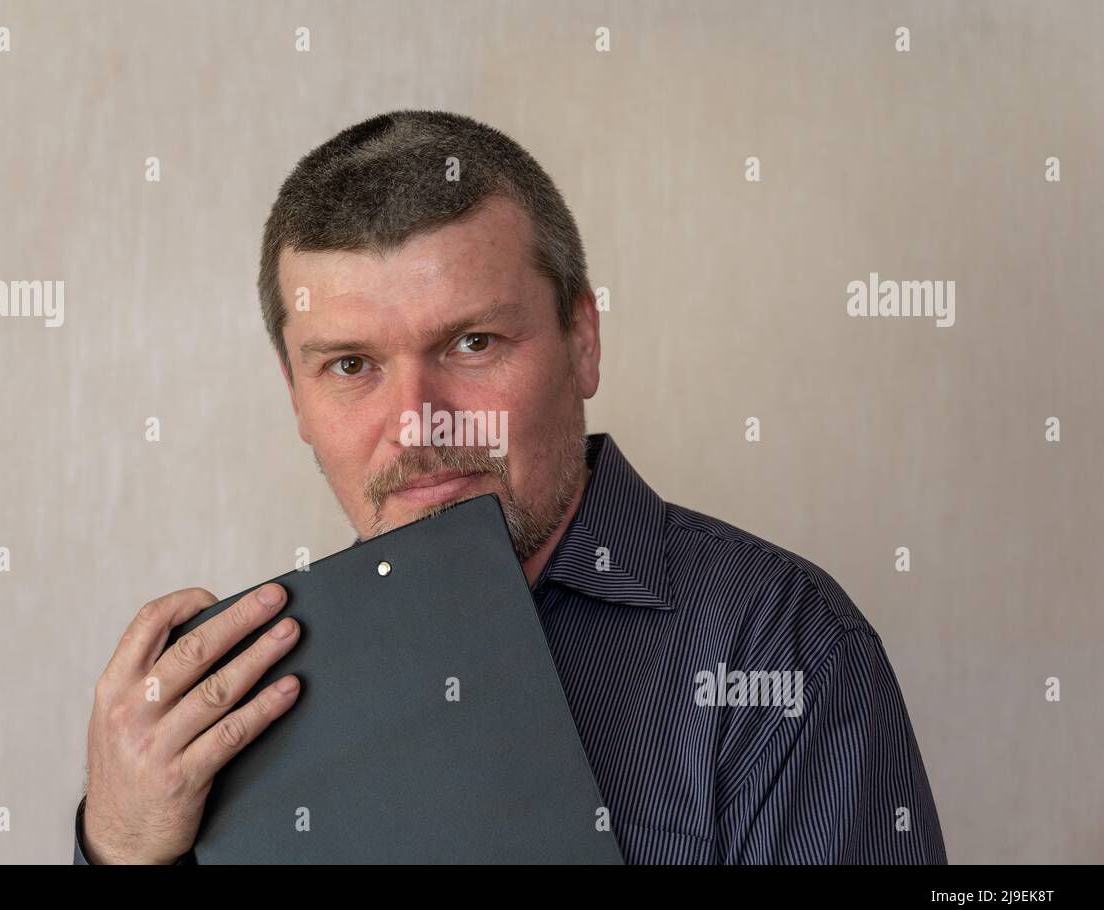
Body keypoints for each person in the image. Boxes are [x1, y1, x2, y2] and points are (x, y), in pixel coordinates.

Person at [74, 109, 946, 864]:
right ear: (296, 396)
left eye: (473, 344)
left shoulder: (786, 651)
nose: (420, 424)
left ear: (584, 340)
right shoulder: (228, 703)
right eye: (350, 365)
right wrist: (120, 848)